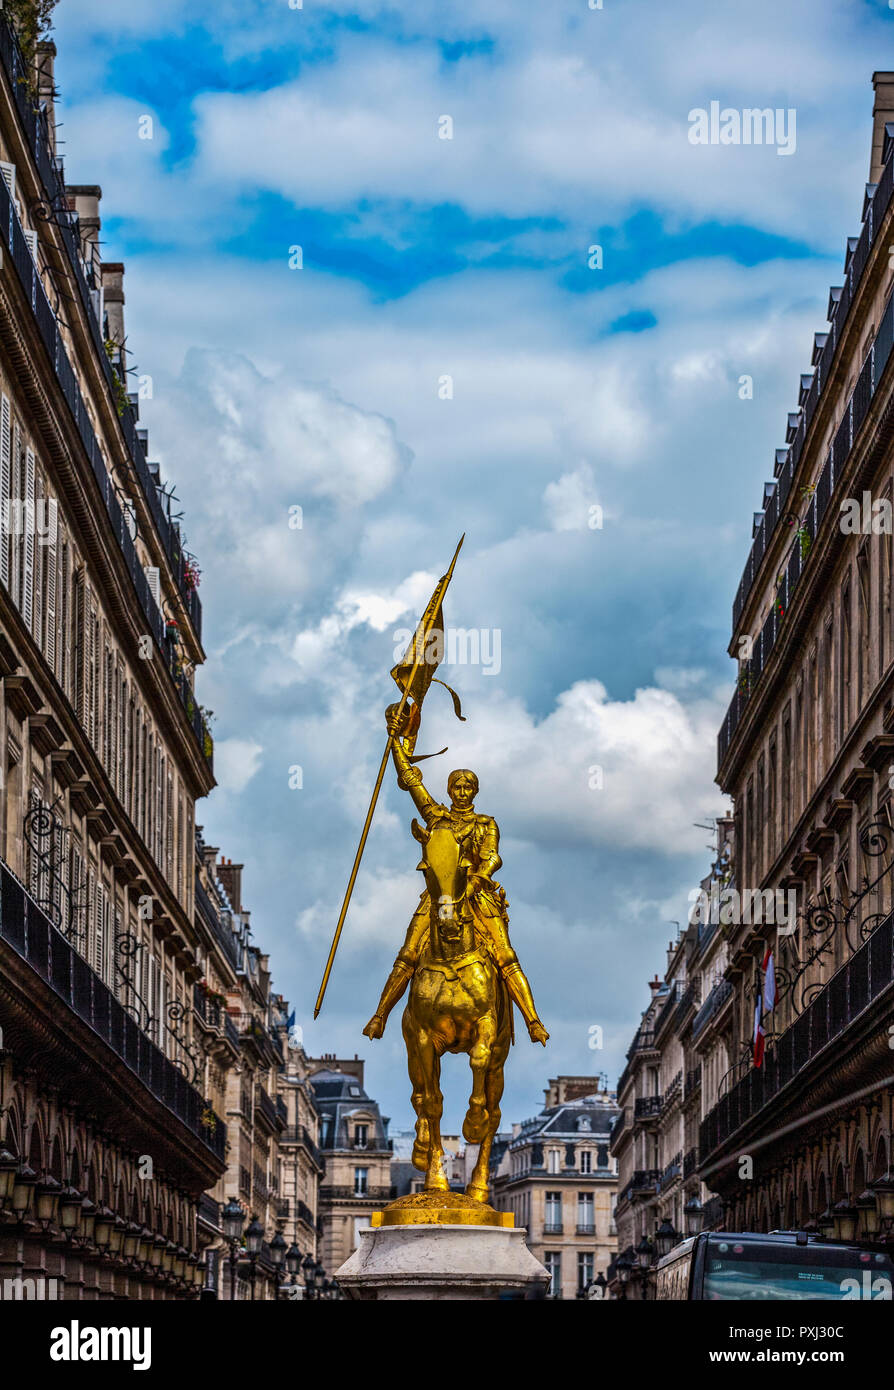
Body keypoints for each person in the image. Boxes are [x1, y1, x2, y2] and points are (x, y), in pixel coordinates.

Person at [363, 705, 548, 1045]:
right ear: (449, 791)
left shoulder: (485, 823)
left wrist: (478, 878)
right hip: (438, 896)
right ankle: (380, 1015)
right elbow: (410, 781)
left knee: (505, 955)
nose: (462, 793)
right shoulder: (437, 818)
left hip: (476, 894)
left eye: (468, 788)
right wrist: (394, 742)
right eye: (457, 788)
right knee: (408, 953)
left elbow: (493, 856)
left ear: (474, 792)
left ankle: (533, 1020)